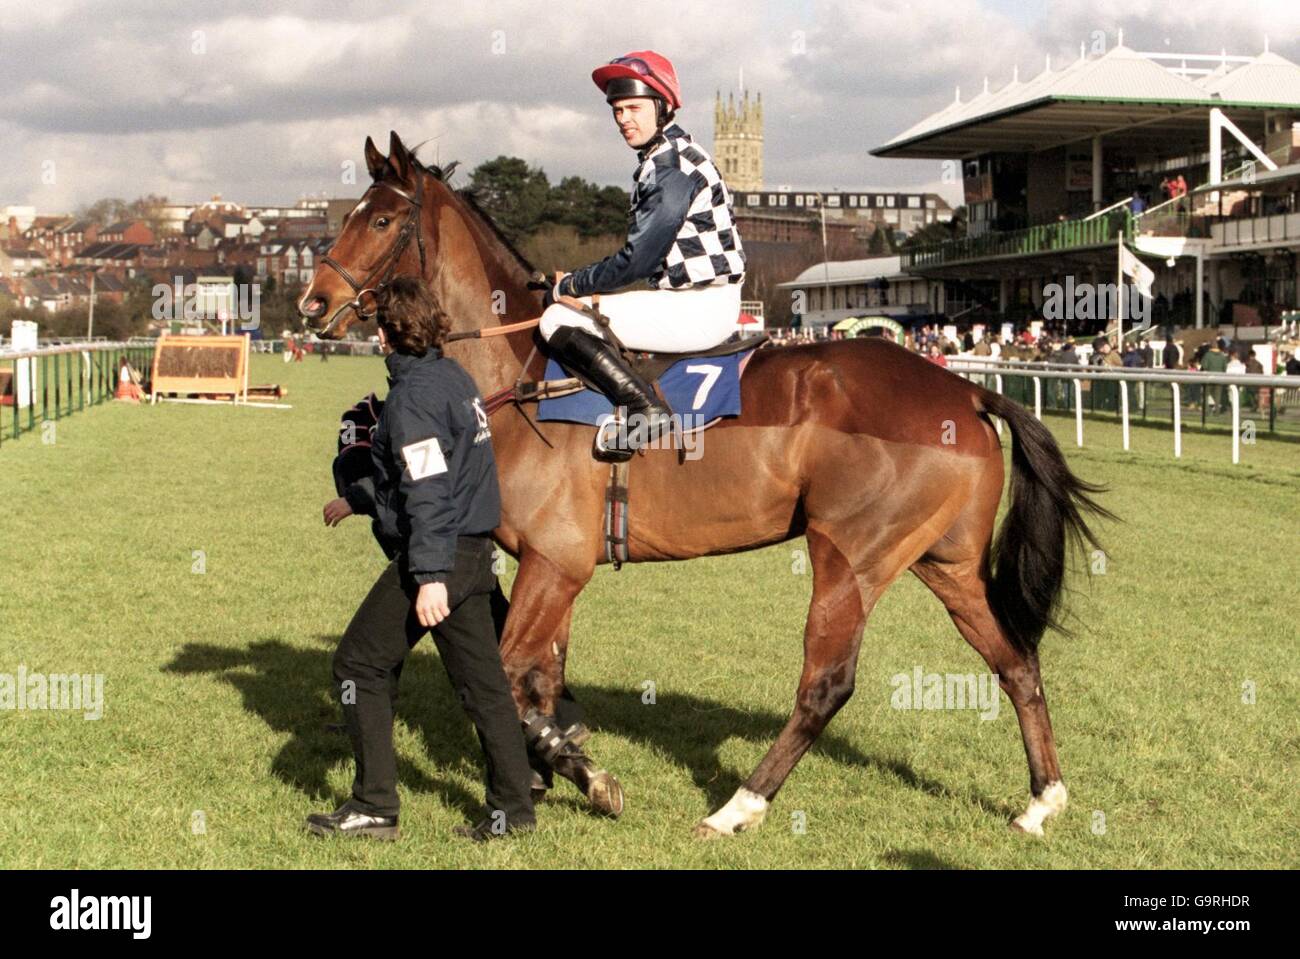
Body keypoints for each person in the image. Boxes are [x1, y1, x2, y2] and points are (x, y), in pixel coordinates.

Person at [308, 276, 536, 843]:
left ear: (387, 332)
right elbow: (432, 471)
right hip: (473, 551)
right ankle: (515, 810)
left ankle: (373, 805)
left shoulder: (412, 396)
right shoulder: (452, 377)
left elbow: (429, 487)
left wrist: (430, 576)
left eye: (377, 324)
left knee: (358, 665)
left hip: (439, 557)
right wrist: (358, 499)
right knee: (484, 687)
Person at [538, 50, 747, 459]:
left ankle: (644, 410)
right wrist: (578, 283)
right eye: (617, 110)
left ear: (663, 107)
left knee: (557, 317)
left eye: (633, 107)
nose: (623, 119)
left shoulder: (670, 168)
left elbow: (638, 261)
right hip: (692, 300)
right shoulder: (666, 157)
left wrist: (572, 285)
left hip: (699, 307)